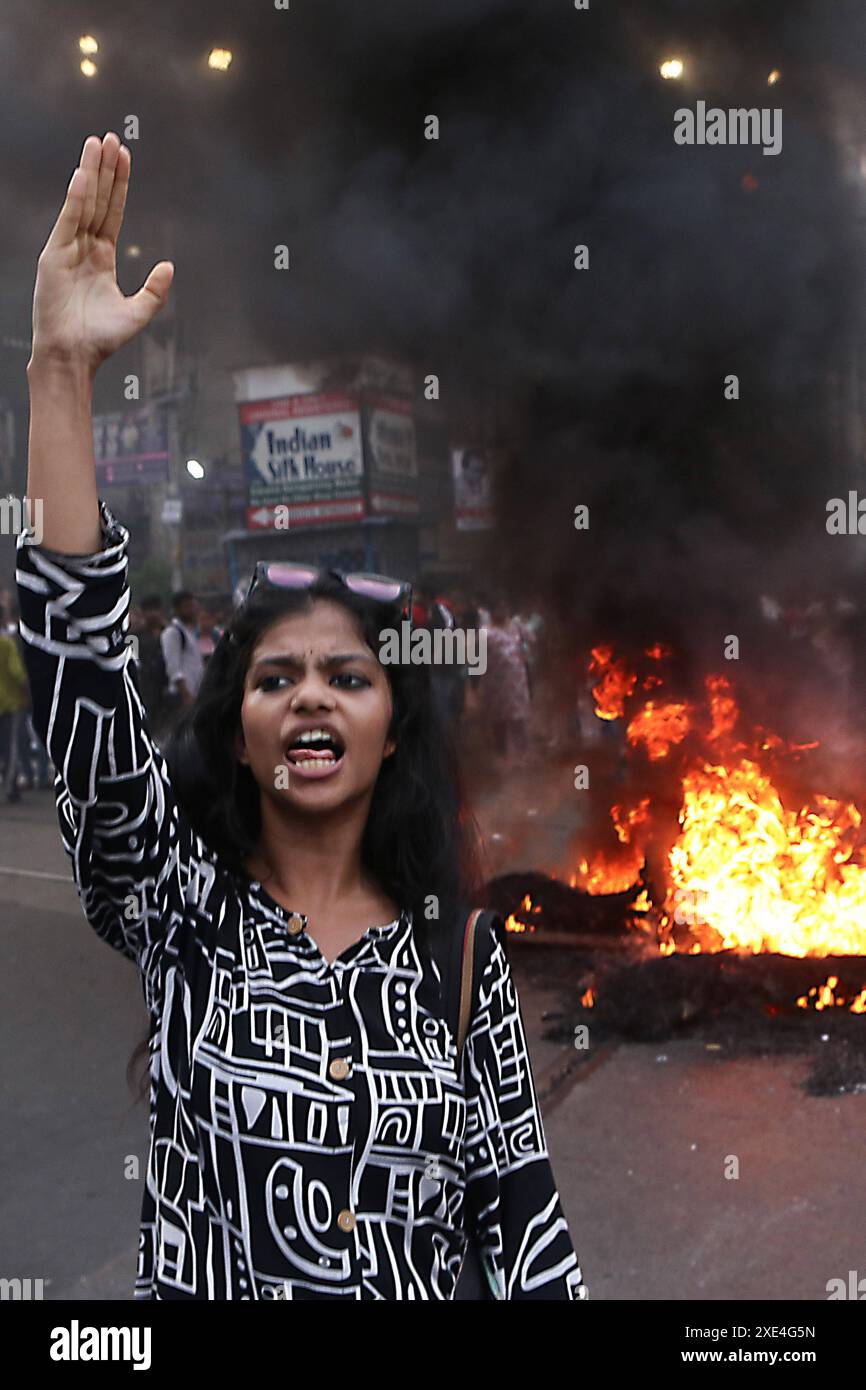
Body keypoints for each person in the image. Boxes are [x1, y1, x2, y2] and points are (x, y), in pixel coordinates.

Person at [16, 129, 588, 1302]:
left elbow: (525, 1225)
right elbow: (78, 672)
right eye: (276, 679)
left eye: (349, 675)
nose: (312, 694)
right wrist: (59, 375)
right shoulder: (177, 903)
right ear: (238, 732)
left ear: (391, 726)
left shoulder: (458, 950)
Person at [480, 597, 532, 764]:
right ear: (492, 612)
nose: (503, 612)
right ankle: (501, 755)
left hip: (517, 681)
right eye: (498, 609)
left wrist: (526, 655)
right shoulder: (485, 631)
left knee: (519, 718)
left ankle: (522, 755)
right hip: (495, 682)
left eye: (505, 608)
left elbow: (532, 639)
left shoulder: (516, 627)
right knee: (499, 719)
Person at [0, 601, 28, 801]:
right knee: (11, 747)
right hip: (9, 703)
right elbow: (17, 672)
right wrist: (26, 691)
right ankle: (10, 787)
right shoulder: (6, 643)